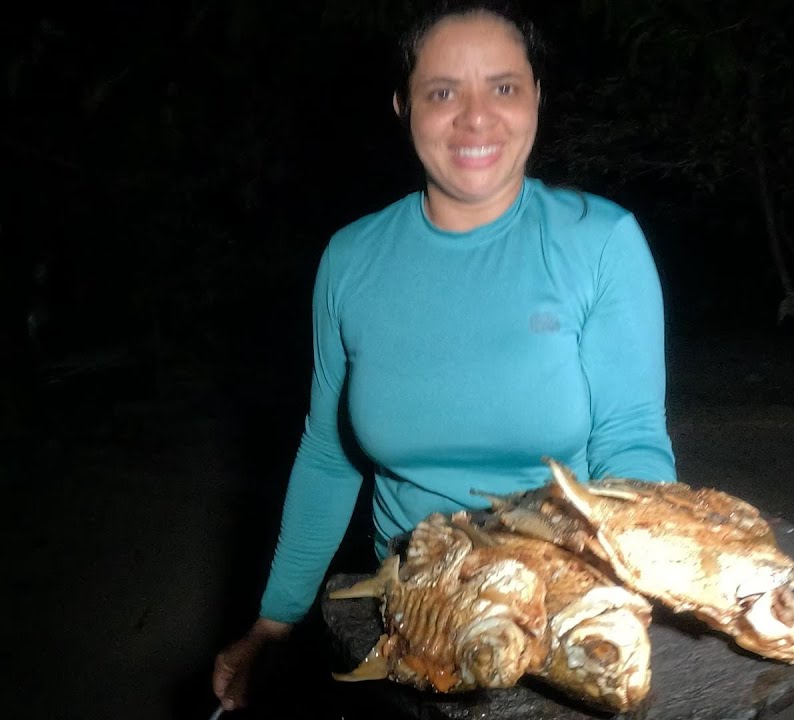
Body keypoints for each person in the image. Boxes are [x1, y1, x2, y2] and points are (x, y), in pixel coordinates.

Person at [212, 1, 677, 710]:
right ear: (404, 107)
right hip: (410, 610)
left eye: (503, 86)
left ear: (537, 98)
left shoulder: (600, 243)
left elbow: (631, 443)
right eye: (441, 92)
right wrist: (275, 620)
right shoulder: (351, 259)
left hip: (558, 596)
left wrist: (629, 595)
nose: (476, 117)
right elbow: (329, 454)